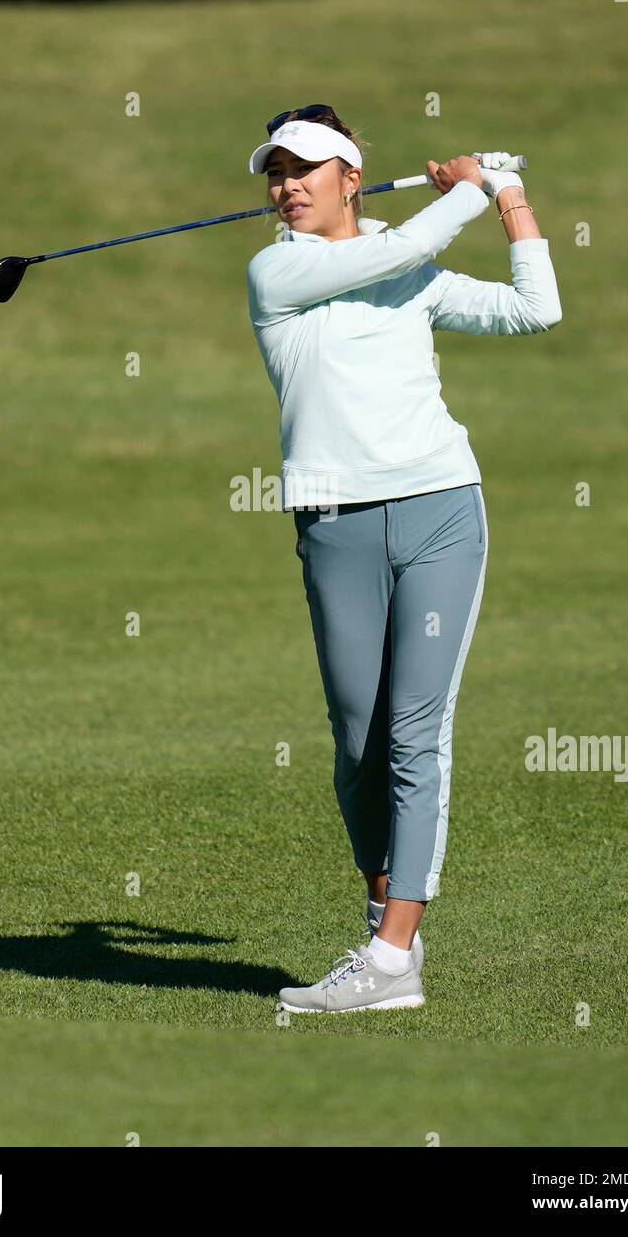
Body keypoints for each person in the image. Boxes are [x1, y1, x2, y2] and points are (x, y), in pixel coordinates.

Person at [245, 105, 563, 1014]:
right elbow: (382, 256)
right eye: (276, 172)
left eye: (305, 168)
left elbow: (537, 309)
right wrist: (465, 188)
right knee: (358, 742)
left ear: (352, 175)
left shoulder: (410, 267)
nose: (286, 186)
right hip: (334, 525)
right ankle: (386, 909)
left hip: (439, 512)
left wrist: (507, 196)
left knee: (417, 734)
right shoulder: (279, 268)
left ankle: (391, 960)